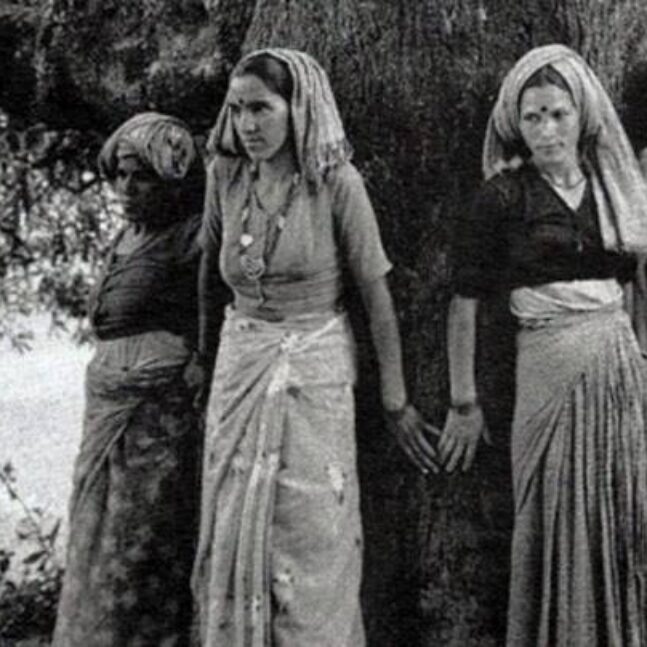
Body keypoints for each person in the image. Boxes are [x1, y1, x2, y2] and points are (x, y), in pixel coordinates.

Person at [192, 48, 438, 646]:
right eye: (237, 110)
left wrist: (396, 400)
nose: (248, 125)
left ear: (297, 109)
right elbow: (208, 276)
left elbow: (376, 295)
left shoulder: (335, 182)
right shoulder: (226, 176)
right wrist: (203, 358)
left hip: (315, 370)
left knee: (309, 533)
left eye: (261, 109)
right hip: (240, 365)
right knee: (234, 525)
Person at [443, 44, 647, 646]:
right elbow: (464, 300)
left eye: (558, 114)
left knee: (620, 510)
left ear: (582, 116)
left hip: (617, 369)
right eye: (532, 117)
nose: (547, 130)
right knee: (549, 510)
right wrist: (464, 401)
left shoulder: (615, 190)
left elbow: (636, 283)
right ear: (516, 123)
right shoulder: (504, 197)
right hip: (545, 371)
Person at [52, 112, 206, 646]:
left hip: (156, 419)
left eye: (142, 177)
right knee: (95, 533)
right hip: (109, 406)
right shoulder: (125, 237)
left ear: (172, 183)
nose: (126, 188)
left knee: (141, 541)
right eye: (120, 175)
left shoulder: (192, 237)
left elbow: (213, 313)